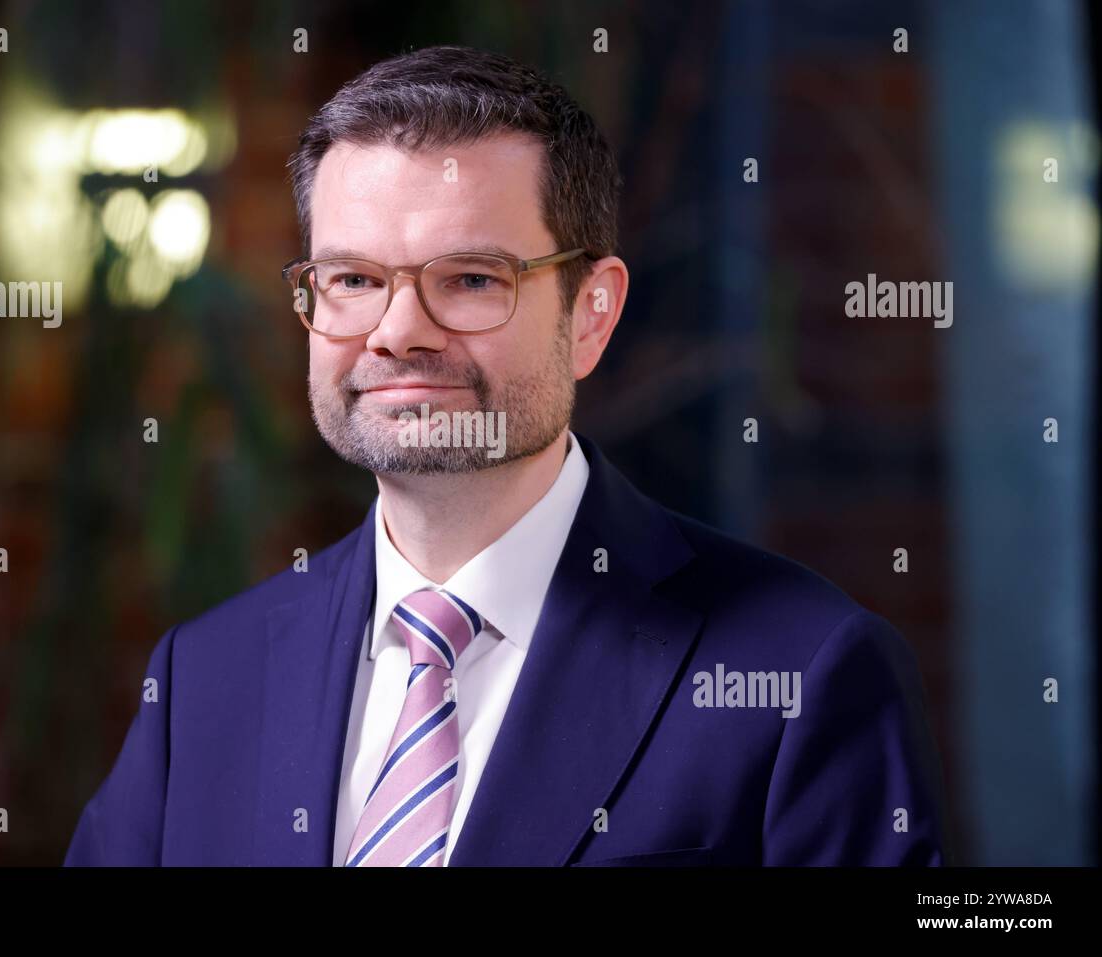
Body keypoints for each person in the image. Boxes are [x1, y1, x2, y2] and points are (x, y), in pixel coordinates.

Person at [65, 45, 949, 867]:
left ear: (591, 315)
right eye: (355, 280)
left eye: (472, 279)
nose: (398, 333)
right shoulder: (203, 681)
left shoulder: (798, 674)